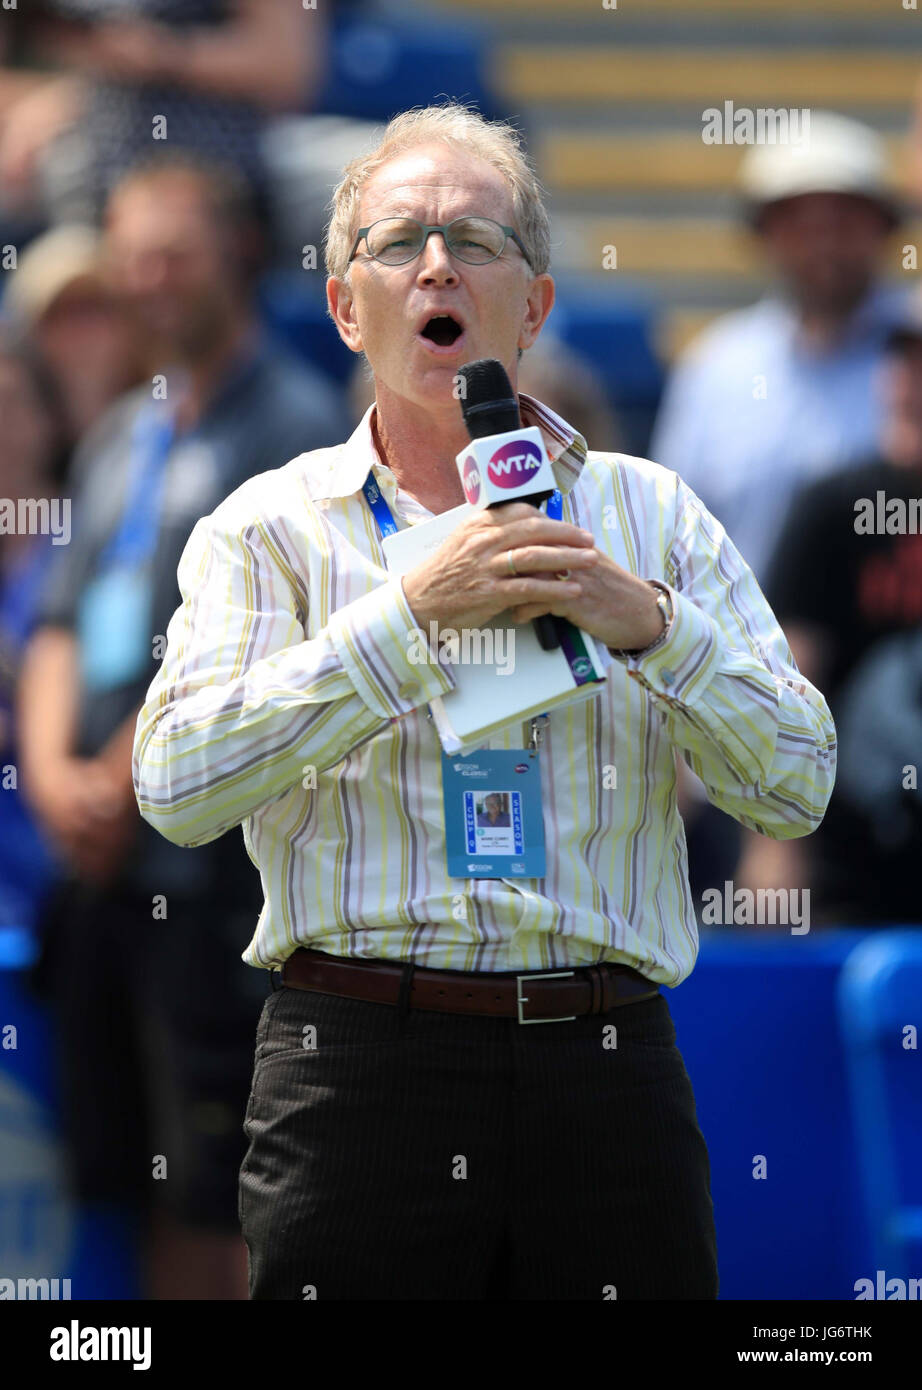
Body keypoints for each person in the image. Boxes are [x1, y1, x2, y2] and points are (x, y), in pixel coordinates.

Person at [133, 102, 836, 1300]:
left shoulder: (649, 515)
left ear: (537, 303)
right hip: (356, 1068)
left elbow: (797, 780)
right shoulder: (266, 529)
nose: (438, 263)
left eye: (476, 237)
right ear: (348, 308)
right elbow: (176, 787)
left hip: (605, 1070)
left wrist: (655, 627)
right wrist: (406, 623)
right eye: (399, 240)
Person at [18, 153, 346, 1300]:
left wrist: (120, 782)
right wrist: (57, 774)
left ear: (239, 254)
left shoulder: (294, 436)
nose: (150, 278)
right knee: (131, 1185)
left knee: (218, 1192)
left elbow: (257, 657)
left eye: (176, 250)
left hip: (210, 884)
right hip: (103, 877)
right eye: (132, 252)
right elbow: (61, 625)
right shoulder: (119, 432)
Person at [651, 110, 905, 586]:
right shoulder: (716, 367)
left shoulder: (913, 348)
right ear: (764, 235)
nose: (823, 243)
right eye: (800, 224)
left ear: (883, 228)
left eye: (844, 220)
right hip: (736, 652)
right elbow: (671, 533)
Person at [747, 313, 922, 925]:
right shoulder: (833, 506)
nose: (912, 382)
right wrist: (774, 842)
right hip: (850, 852)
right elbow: (792, 676)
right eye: (904, 363)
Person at [2, 222, 147, 476]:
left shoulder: (172, 418)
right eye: (60, 315)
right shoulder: (14, 442)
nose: (82, 332)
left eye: (94, 307)